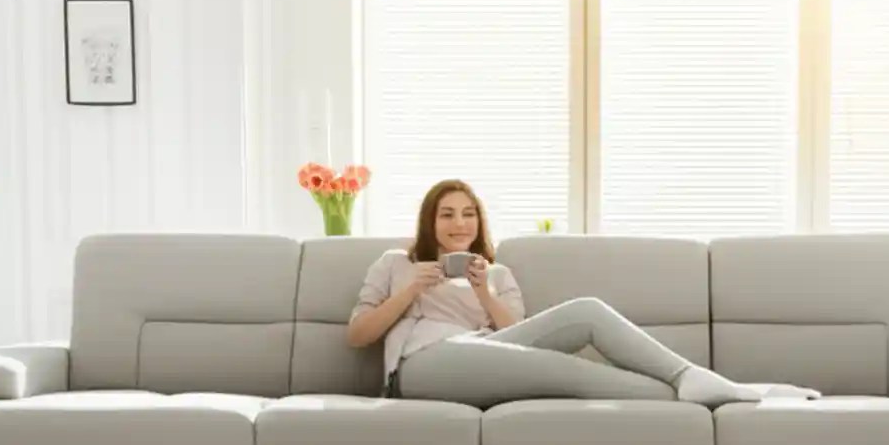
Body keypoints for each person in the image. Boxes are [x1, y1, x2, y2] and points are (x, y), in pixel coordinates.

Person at [347, 179, 820, 409]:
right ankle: (727, 392)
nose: (458, 224)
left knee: (588, 312)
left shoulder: (496, 272)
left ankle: (690, 379)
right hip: (423, 365)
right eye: (447, 214)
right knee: (564, 370)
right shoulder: (395, 263)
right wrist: (409, 290)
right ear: (430, 221)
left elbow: (517, 337)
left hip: (480, 355)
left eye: (468, 214)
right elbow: (359, 335)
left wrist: (484, 291)